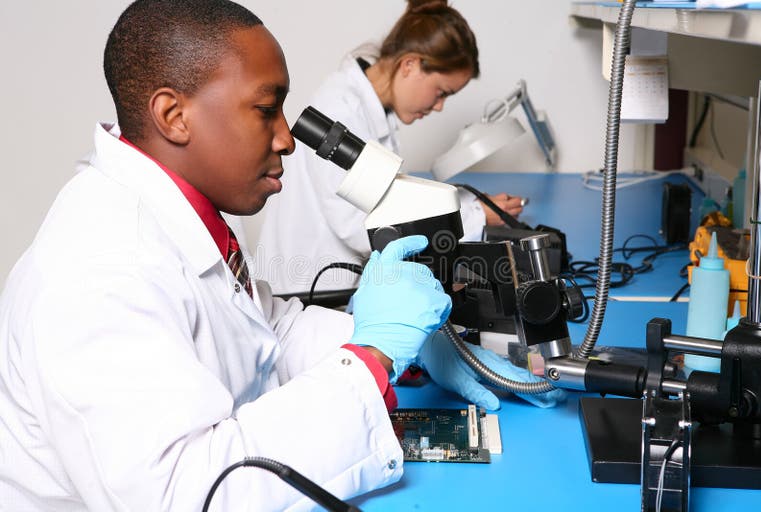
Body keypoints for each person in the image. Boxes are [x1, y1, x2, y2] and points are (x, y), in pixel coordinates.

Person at [0, 1, 562, 510]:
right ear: (174, 116)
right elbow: (187, 496)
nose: (288, 139)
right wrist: (370, 356)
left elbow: (269, 332)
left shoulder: (182, 211)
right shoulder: (99, 271)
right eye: (266, 110)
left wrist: (410, 349)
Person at [257, 0, 527, 295]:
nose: (439, 107)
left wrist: (468, 206)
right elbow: (364, 229)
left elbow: (389, 198)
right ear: (409, 64)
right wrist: (472, 217)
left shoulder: (374, 107)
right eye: (441, 93)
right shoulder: (341, 110)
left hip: (339, 282)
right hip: (309, 290)